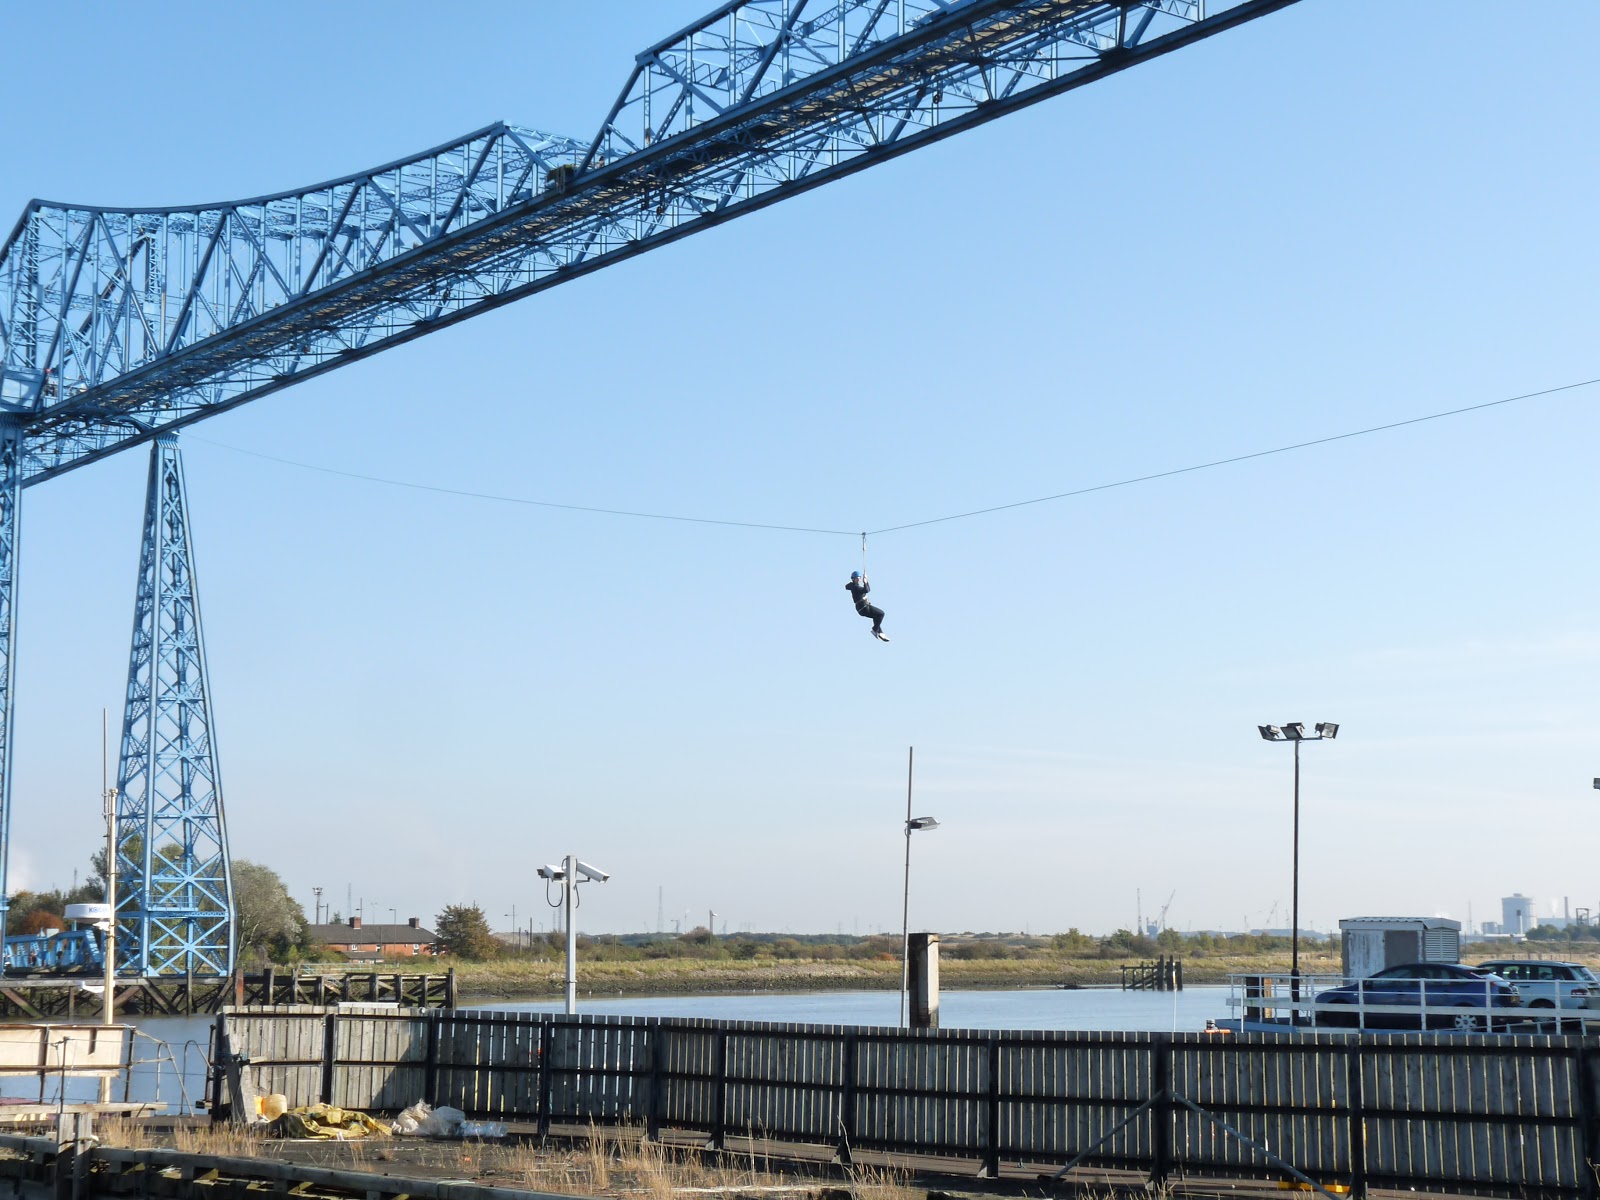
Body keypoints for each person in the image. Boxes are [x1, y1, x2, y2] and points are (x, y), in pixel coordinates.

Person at [845, 571, 888, 641]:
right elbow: (867, 590)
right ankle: (875, 630)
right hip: (864, 607)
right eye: (856, 578)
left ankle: (880, 632)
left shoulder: (853, 586)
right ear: (853, 579)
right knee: (881, 614)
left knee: (876, 616)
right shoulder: (855, 587)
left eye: (859, 578)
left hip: (861, 609)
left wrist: (866, 582)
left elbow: (866, 589)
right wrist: (865, 582)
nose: (858, 579)